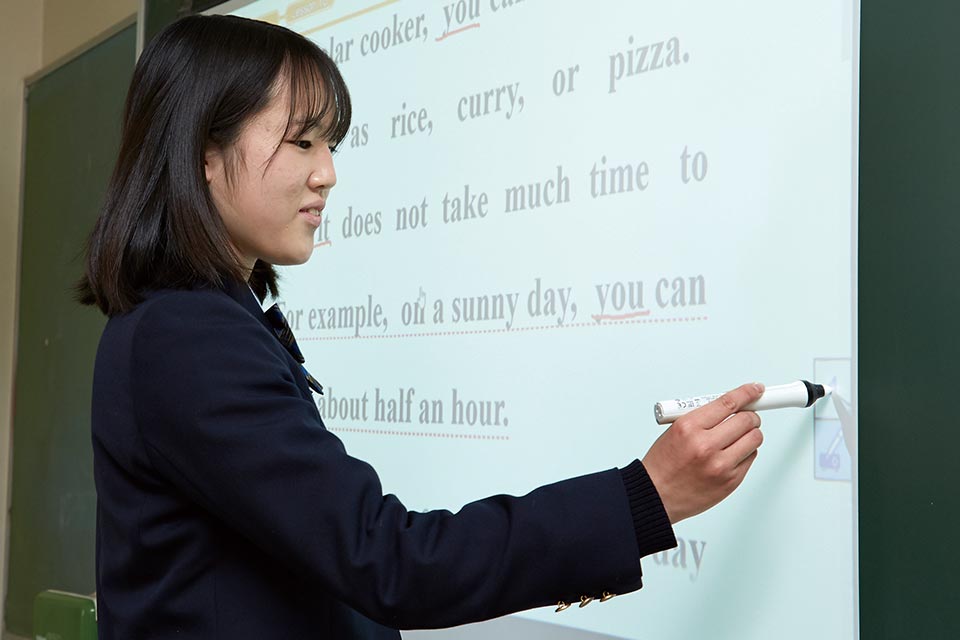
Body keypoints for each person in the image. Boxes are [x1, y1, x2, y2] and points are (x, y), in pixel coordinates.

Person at [79, 14, 764, 639]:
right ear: (203, 149)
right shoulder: (188, 334)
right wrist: (646, 496)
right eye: (303, 141)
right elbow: (388, 561)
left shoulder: (189, 318)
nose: (329, 173)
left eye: (333, 144)